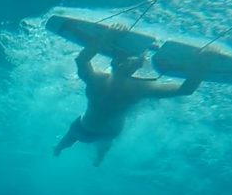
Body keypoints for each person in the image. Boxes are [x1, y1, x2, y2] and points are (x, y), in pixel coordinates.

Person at [53, 38, 202, 166]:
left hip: (99, 131)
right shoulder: (99, 80)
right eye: (124, 60)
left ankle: (98, 159)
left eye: (132, 60)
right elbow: (81, 60)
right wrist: (107, 35)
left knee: (99, 147)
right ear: (114, 63)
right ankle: (61, 149)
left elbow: (185, 90)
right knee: (68, 141)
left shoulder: (142, 87)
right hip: (89, 129)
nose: (126, 62)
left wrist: (203, 61)